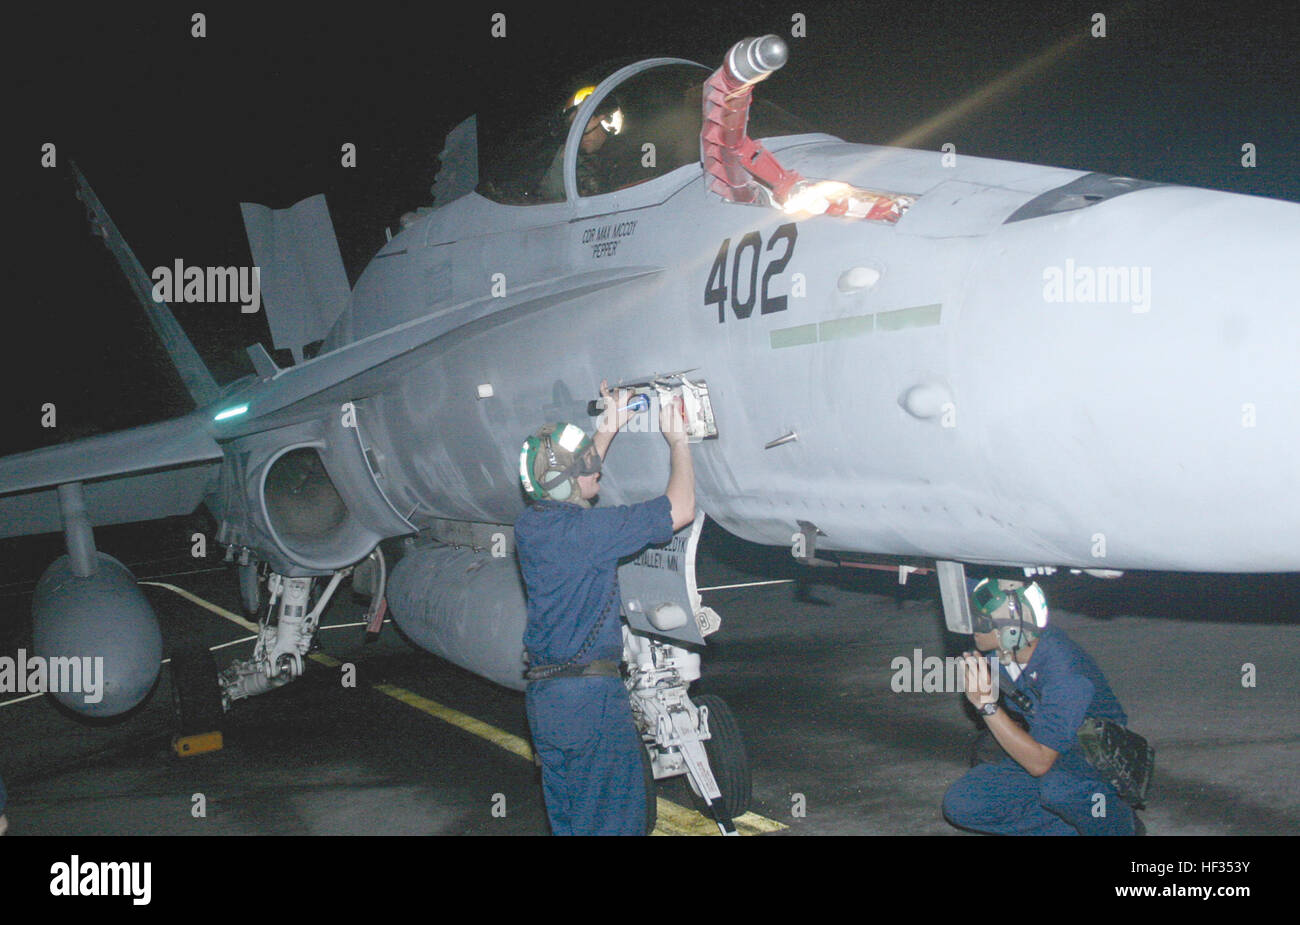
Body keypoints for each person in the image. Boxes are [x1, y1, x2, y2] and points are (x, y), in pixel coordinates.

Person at [514, 380, 694, 835]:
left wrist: (608, 427)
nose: (599, 470)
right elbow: (680, 509)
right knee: (616, 823)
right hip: (590, 704)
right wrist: (678, 441)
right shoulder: (587, 534)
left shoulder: (532, 525)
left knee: (576, 823)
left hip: (550, 704)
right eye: (589, 466)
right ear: (565, 481)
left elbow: (567, 482)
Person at [942, 578, 1137, 835]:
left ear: (1010, 631)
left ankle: (1118, 825)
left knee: (1059, 790)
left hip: (1093, 754)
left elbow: (1039, 764)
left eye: (981, 622)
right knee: (963, 804)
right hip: (1047, 741)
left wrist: (987, 706)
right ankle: (1075, 828)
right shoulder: (1003, 652)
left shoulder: (1066, 674)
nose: (972, 628)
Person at [536, 85, 624, 201]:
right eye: (575, 123)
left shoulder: (622, 159)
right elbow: (553, 197)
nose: (583, 132)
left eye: (588, 120)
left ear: (606, 121)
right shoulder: (554, 160)